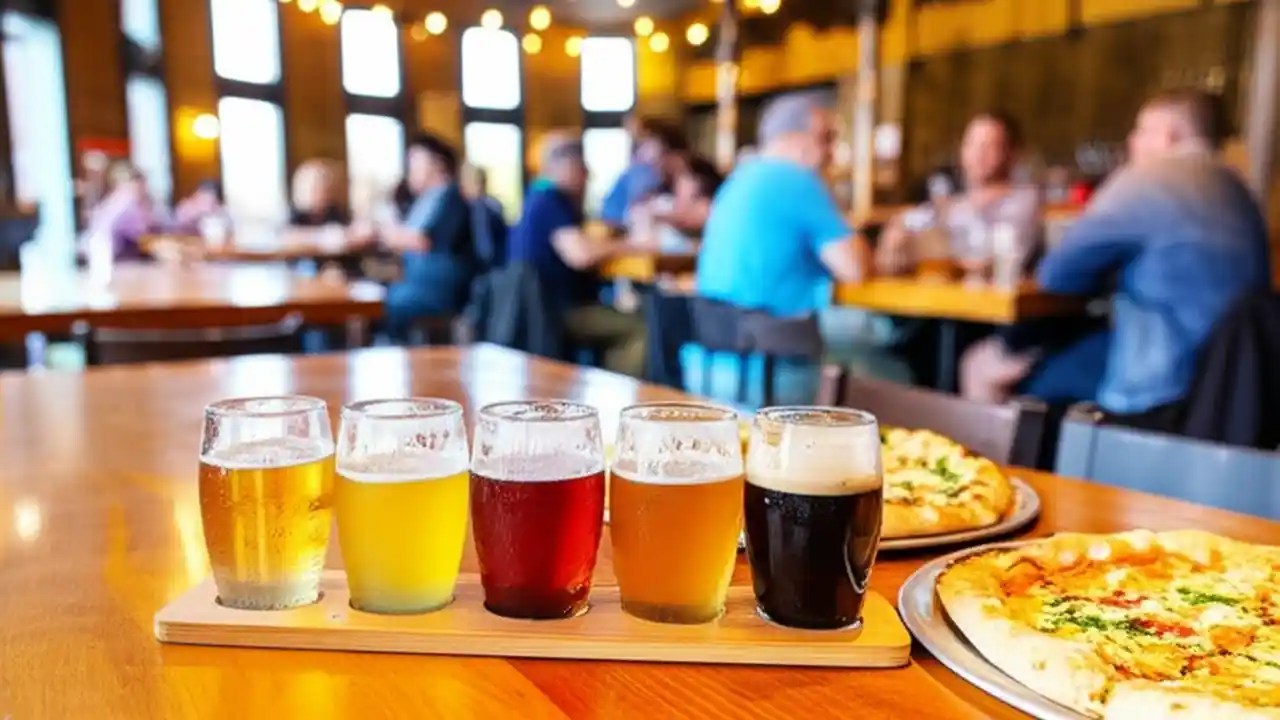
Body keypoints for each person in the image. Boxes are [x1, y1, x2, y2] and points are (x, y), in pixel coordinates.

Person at [960, 89, 1271, 425]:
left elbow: (1058, 274)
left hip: (1157, 380)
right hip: (1231, 388)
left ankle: (1000, 470)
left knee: (987, 367)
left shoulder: (1147, 179)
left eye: (1140, 130)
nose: (1132, 141)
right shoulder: (1241, 191)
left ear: (1168, 136)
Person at [691, 91, 871, 405]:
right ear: (795, 138)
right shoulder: (797, 181)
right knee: (890, 361)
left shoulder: (738, 178)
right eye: (826, 139)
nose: (832, 153)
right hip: (770, 371)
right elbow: (855, 268)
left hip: (709, 364)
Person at [508, 132, 647, 377]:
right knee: (640, 326)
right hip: (556, 312)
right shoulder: (549, 199)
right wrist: (632, 244)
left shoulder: (536, 197)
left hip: (541, 309)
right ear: (566, 167)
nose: (587, 176)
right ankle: (619, 398)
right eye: (582, 168)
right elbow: (580, 255)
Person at [878, 111, 1042, 277]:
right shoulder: (957, 202)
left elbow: (995, 261)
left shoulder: (1023, 200)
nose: (978, 154)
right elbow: (911, 220)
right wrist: (898, 229)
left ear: (1011, 153)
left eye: (989, 146)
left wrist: (933, 253)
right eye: (971, 144)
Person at [383, 134, 477, 339]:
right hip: (418, 284)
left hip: (440, 290)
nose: (411, 171)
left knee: (386, 305)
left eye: (416, 163)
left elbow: (423, 241)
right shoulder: (426, 200)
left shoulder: (451, 198)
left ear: (438, 164)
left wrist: (385, 233)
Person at [600, 118, 687, 228]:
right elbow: (610, 218)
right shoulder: (633, 177)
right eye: (642, 144)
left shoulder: (689, 181)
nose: (643, 153)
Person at [82, 160, 156, 260]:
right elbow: (141, 234)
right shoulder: (126, 203)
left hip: (106, 257)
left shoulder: (114, 201)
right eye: (141, 183)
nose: (144, 188)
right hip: (117, 258)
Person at [459, 163, 508, 273]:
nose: (479, 186)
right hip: (469, 267)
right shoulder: (458, 208)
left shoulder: (494, 206)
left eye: (481, 181)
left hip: (495, 266)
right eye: (475, 181)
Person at [287, 159, 349, 227]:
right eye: (314, 187)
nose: (321, 191)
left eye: (325, 184)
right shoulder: (291, 218)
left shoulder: (335, 213)